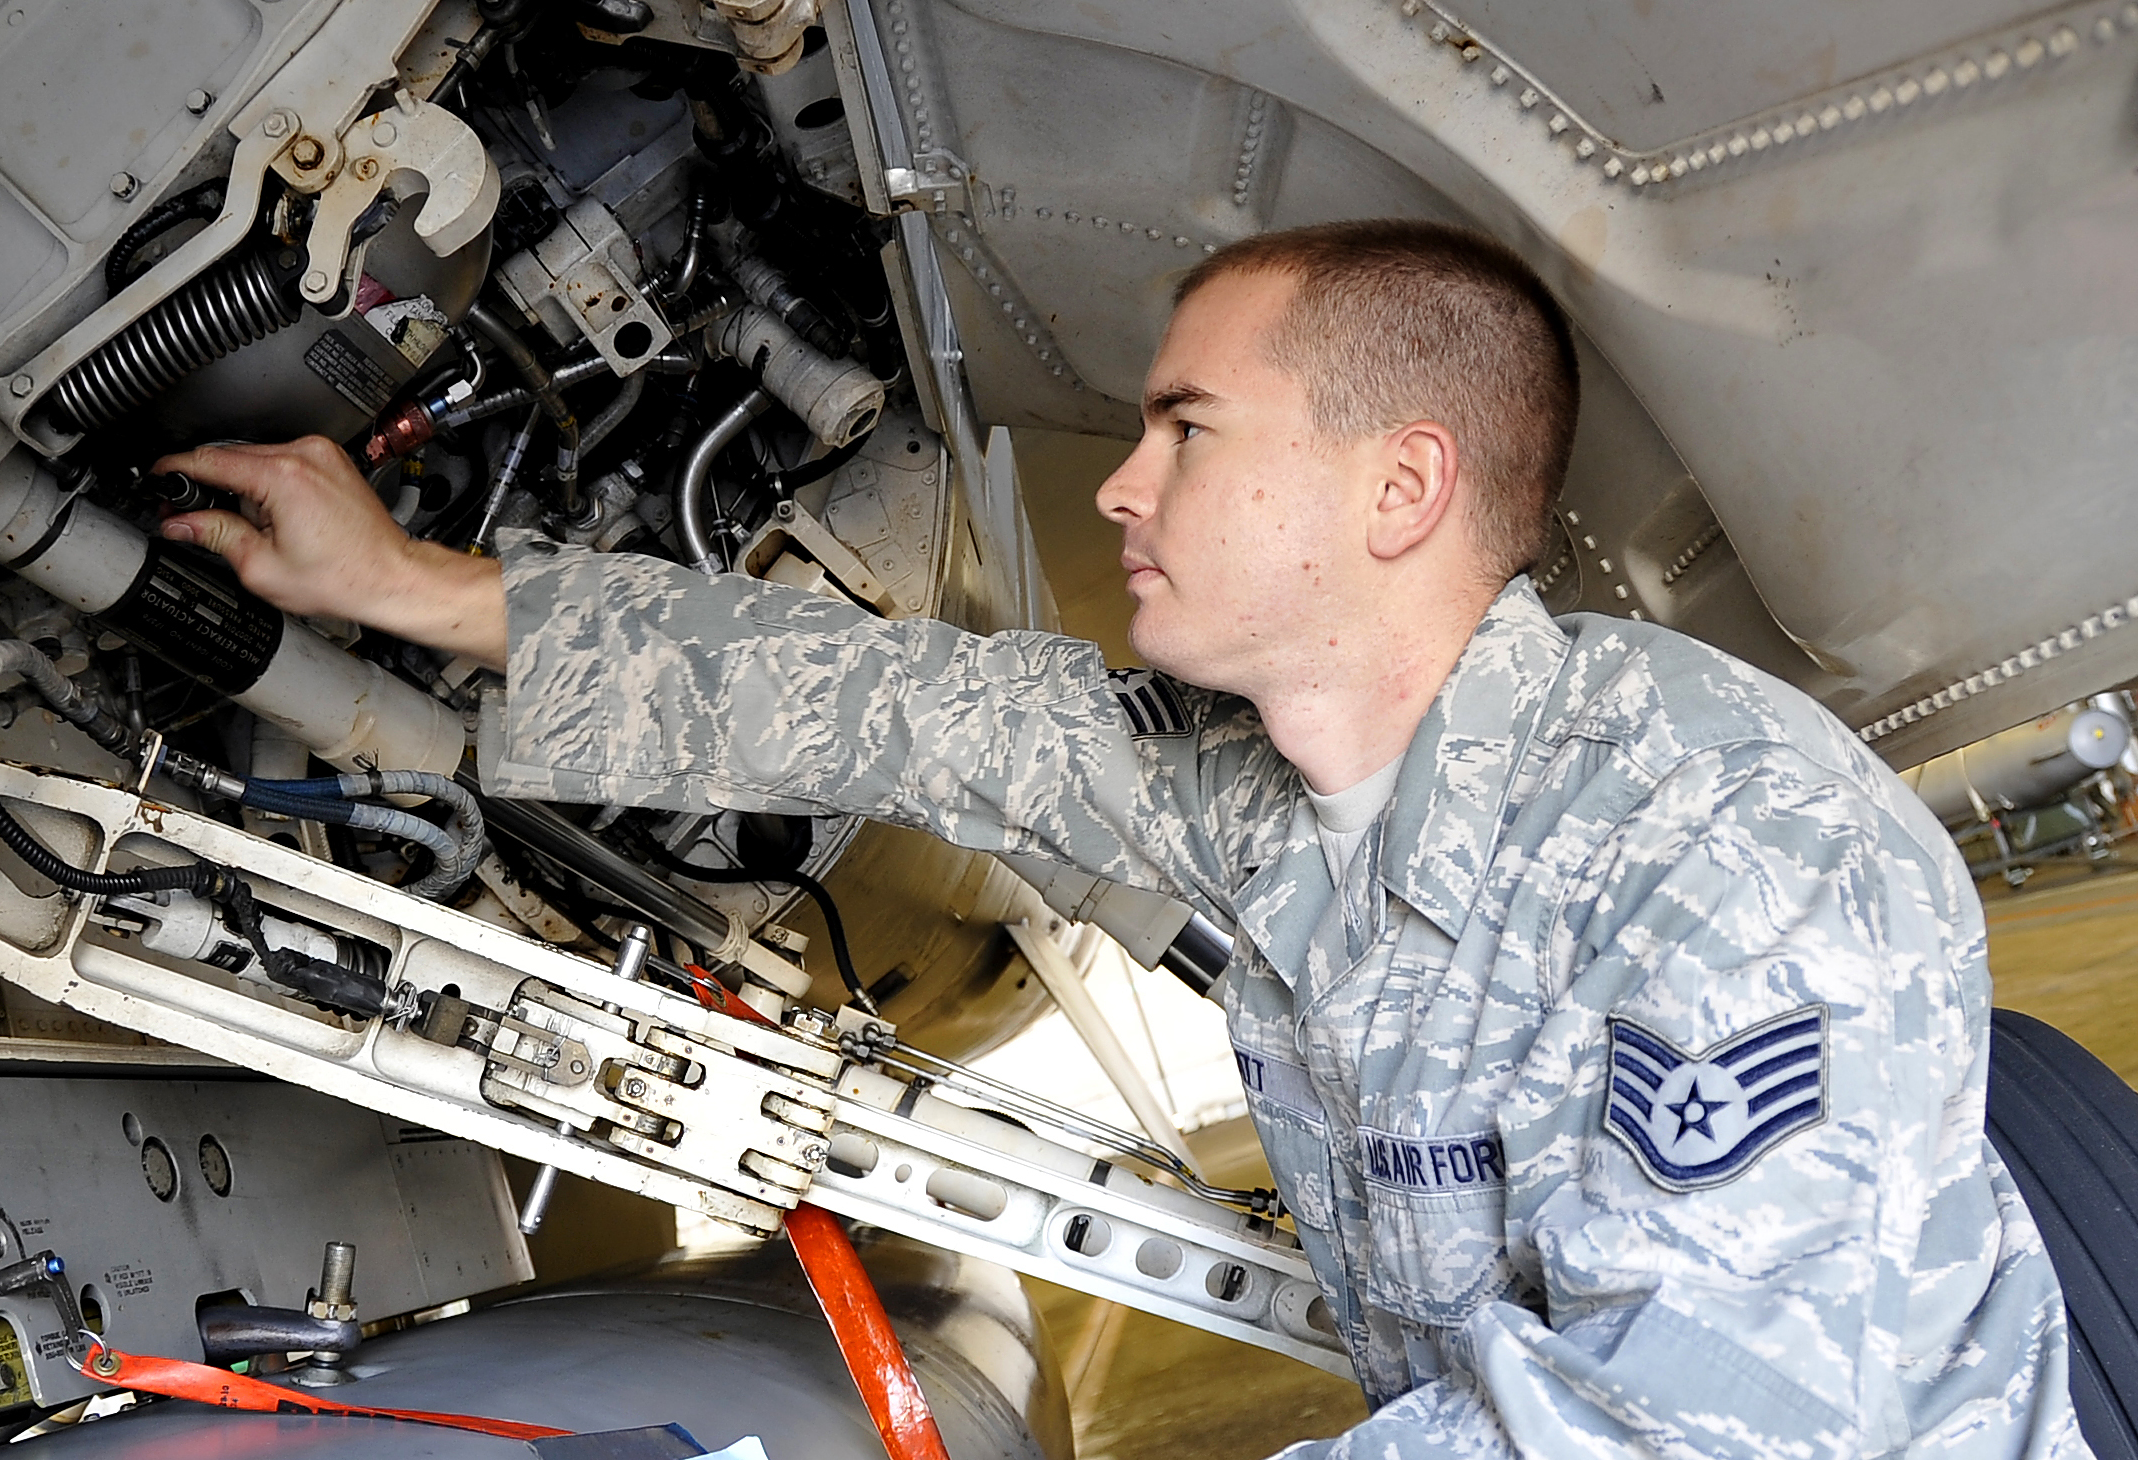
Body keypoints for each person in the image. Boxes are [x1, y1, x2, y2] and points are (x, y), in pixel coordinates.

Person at [153, 220, 2085, 1459]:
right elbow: (882, 702)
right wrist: (408, 581)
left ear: (1398, 488)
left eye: (1187, 431)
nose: (1134, 486)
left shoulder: (1729, 841)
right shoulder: (1260, 780)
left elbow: (1697, 1435)